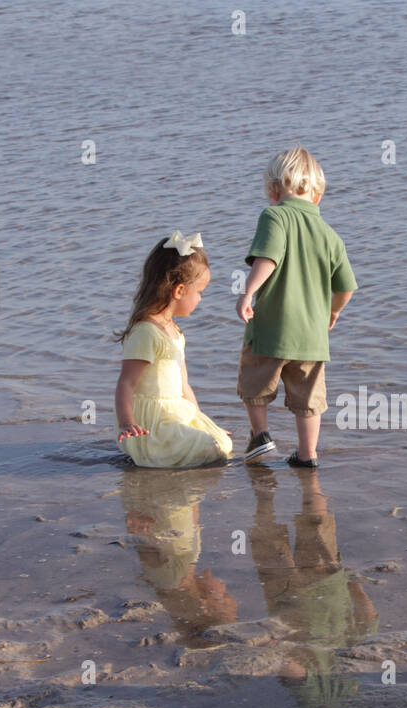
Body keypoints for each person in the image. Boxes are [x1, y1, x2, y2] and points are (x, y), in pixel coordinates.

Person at [235, 147, 357, 468]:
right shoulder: (331, 235)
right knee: (309, 400)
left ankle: (261, 435)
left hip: (270, 330)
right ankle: (307, 455)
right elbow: (346, 287)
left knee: (254, 382)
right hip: (312, 339)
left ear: (273, 192)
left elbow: (268, 259)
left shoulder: (273, 216)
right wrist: (333, 312)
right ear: (317, 196)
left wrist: (248, 293)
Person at [114, 231, 233, 468]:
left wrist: (201, 419)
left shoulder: (175, 332)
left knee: (223, 443)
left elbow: (183, 385)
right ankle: (153, 452)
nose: (200, 300)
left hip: (176, 414)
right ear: (179, 291)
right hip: (152, 425)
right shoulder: (146, 332)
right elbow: (126, 383)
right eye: (199, 292)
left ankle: (194, 441)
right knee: (211, 448)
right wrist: (127, 422)